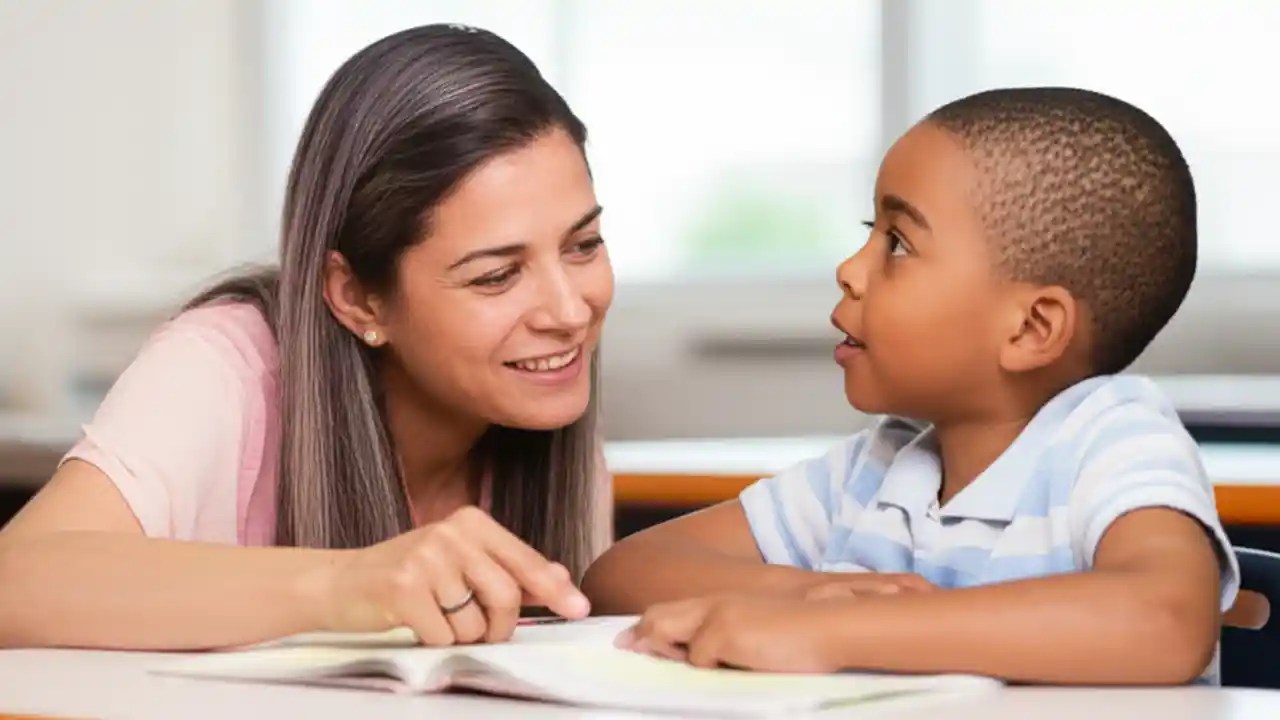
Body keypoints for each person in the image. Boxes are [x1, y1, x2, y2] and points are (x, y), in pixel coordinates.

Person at [585, 87, 1237, 685]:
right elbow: (622, 573)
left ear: (1031, 327)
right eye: (869, 235)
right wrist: (804, 595)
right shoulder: (876, 471)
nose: (849, 269)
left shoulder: (1113, 439)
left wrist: (835, 631)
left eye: (896, 243)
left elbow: (1167, 620)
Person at [0, 24, 615, 651]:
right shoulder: (225, 365)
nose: (569, 311)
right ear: (353, 295)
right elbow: (11, 584)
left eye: (584, 245)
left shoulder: (553, 428)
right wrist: (346, 584)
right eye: (496, 276)